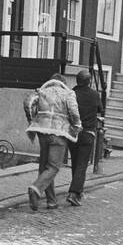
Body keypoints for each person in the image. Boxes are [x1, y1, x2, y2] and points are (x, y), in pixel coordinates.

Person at [23, 75, 81, 211]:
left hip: (42, 131)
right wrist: (76, 125)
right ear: (63, 83)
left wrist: (32, 121)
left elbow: (28, 103)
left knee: (45, 167)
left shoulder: (41, 91)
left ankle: (51, 201)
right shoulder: (68, 93)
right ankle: (36, 188)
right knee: (53, 167)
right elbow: (74, 111)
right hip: (59, 132)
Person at [66, 69, 103, 206]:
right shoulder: (94, 95)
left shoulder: (72, 94)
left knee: (75, 163)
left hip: (73, 132)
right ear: (89, 82)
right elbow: (100, 109)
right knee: (82, 164)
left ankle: (78, 190)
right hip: (87, 133)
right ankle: (74, 192)